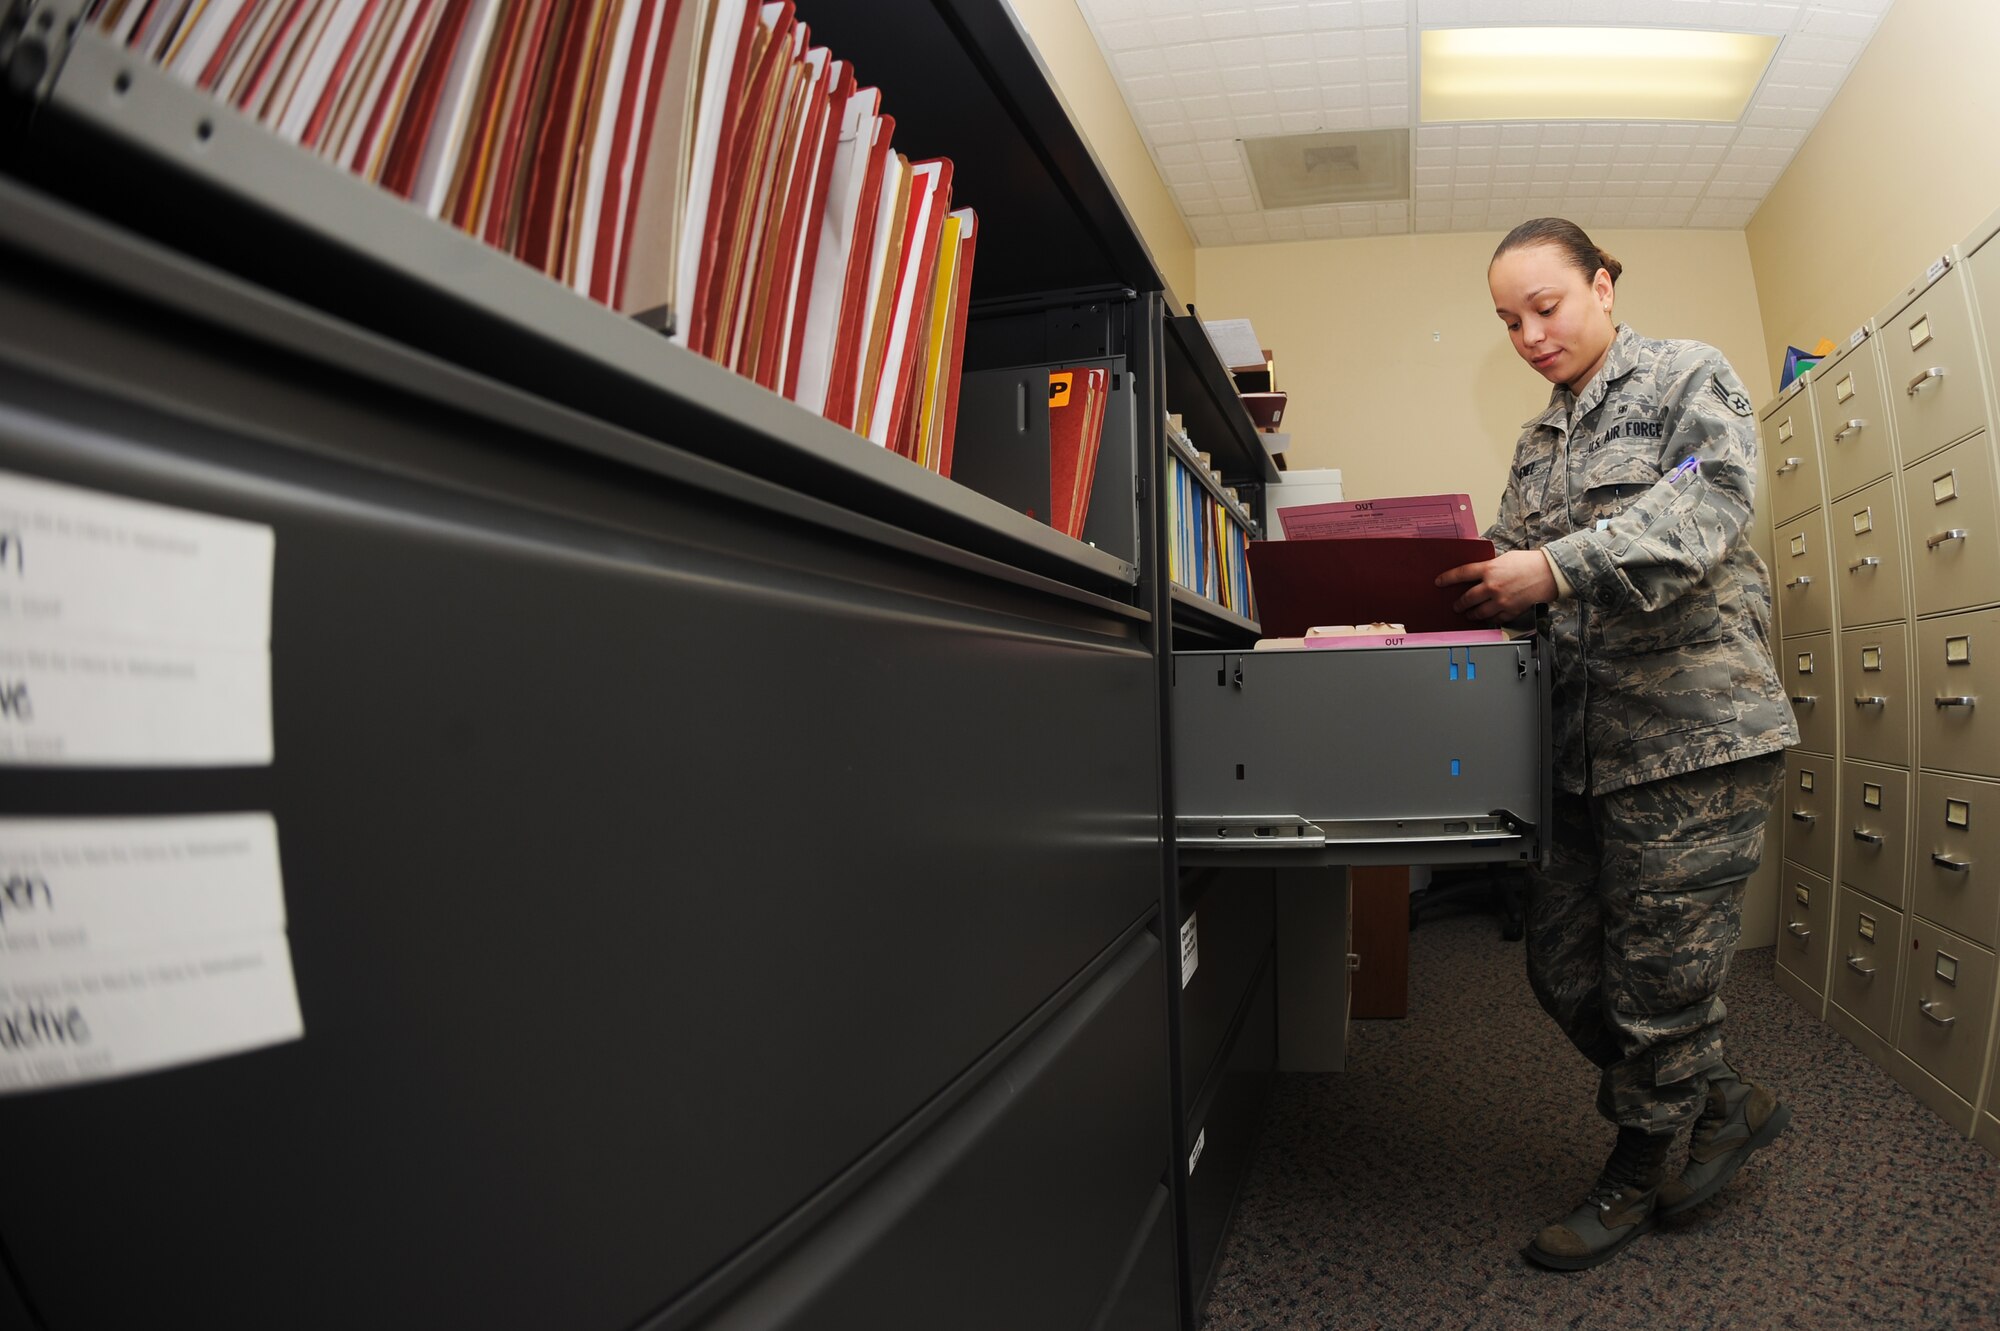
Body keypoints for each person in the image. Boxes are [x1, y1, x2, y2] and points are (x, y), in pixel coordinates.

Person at [1436, 217, 1801, 1271]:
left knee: (1656, 984)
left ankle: (1635, 1170)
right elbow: (1511, 565)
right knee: (1560, 966)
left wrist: (1556, 568)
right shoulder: (1535, 443)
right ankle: (1721, 1097)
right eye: (1507, 320)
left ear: (1602, 284)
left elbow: (1708, 501)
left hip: (1691, 737)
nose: (1528, 335)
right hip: (1581, 748)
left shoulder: (1686, 374)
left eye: (1544, 307)